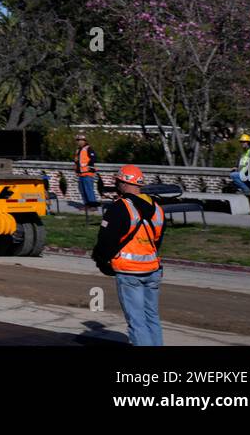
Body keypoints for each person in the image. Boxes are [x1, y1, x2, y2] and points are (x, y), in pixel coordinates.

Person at [92, 164, 164, 346]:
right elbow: (157, 240)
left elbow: (106, 240)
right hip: (153, 270)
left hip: (129, 272)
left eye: (117, 182)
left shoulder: (120, 207)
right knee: (152, 318)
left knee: (137, 322)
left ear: (123, 183)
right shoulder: (156, 208)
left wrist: (101, 261)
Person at [74, 132, 100, 207]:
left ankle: (93, 206)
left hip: (87, 174)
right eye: (77, 140)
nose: (78, 142)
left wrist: (89, 167)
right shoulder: (78, 150)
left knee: (89, 191)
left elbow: (93, 159)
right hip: (81, 174)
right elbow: (77, 161)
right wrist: (76, 170)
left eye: (79, 140)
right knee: (82, 191)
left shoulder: (88, 149)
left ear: (84, 141)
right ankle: (87, 205)